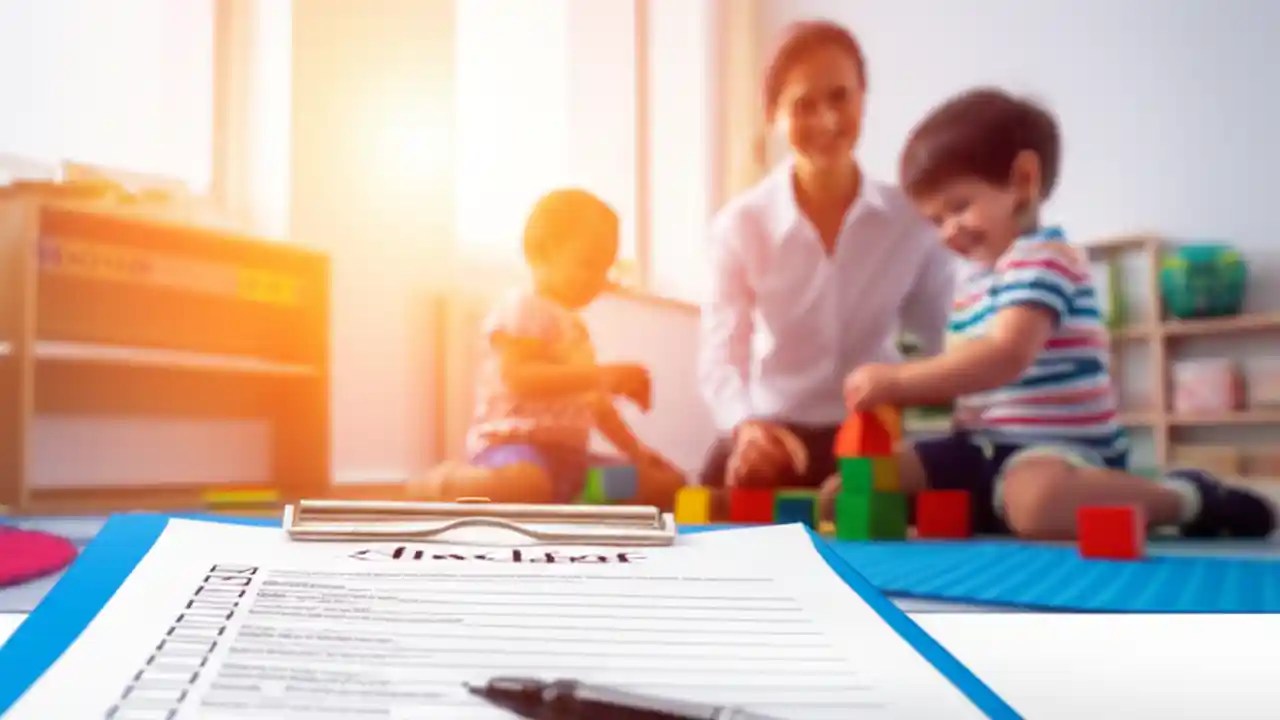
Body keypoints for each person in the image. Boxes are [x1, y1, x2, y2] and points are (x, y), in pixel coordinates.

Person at [822, 87, 1276, 539]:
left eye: (959, 207)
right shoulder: (972, 282)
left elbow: (1005, 354)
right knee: (855, 489)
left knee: (1037, 506)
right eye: (935, 220)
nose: (948, 232)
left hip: (1054, 450)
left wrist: (898, 382)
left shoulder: (1045, 258)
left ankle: (1187, 498)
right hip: (976, 451)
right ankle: (988, 506)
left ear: (1022, 180)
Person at [697, 20, 957, 490]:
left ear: (863, 96)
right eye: (803, 105)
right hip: (775, 435)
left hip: (873, 432)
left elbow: (945, 332)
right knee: (714, 506)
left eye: (840, 97)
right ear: (773, 115)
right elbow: (721, 357)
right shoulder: (741, 225)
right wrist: (745, 426)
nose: (828, 121)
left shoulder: (910, 220)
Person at [412, 188, 686, 508]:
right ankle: (441, 485)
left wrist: (638, 452)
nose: (598, 279)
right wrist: (602, 376)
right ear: (540, 253)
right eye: (587, 264)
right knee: (527, 485)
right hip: (514, 452)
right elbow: (519, 378)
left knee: (665, 487)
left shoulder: (576, 330)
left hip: (572, 467)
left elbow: (597, 407)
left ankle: (572, 501)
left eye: (606, 268)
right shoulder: (522, 307)